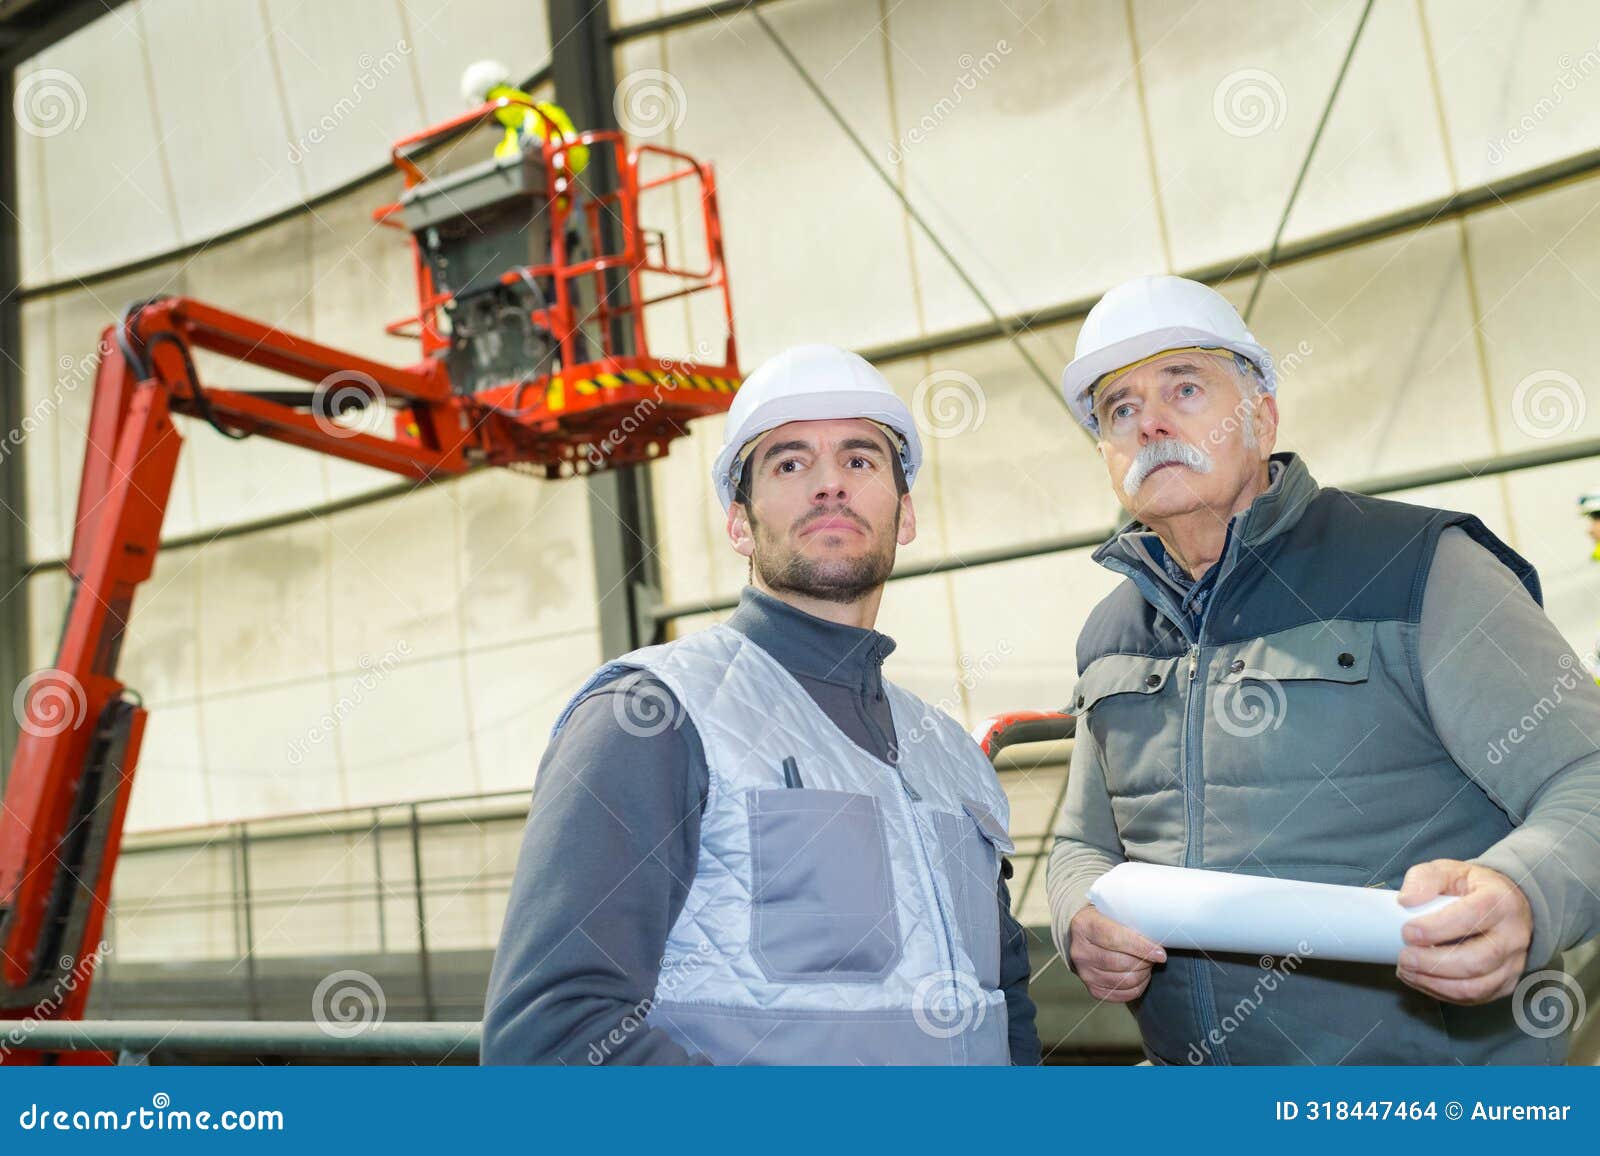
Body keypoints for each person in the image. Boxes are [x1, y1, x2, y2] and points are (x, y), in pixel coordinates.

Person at [1047, 274, 1600, 1064]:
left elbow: (1587, 773)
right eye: (1120, 411)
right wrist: (1077, 917)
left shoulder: (1420, 568)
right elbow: (1077, 842)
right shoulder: (1109, 635)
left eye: (1186, 388)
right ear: (1106, 453)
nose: (1151, 424)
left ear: (1262, 416)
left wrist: (1524, 893)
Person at [483, 344, 1040, 1065]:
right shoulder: (653, 716)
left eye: (861, 460)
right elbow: (550, 1040)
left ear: (905, 515)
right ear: (739, 524)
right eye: (789, 463)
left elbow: (1008, 1005)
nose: (830, 485)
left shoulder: (955, 758)